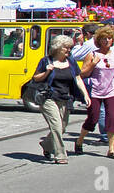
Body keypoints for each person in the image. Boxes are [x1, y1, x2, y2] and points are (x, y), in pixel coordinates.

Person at [31, 36, 89, 164]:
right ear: (57, 48)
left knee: (62, 128)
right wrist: (47, 72)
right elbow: (36, 78)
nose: (69, 50)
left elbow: (78, 78)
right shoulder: (46, 61)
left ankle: (46, 145)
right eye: (66, 47)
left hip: (64, 98)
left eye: (70, 47)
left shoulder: (71, 62)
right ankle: (61, 155)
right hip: (48, 98)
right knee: (56, 126)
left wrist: (85, 94)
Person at [78, 27, 114, 159]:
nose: (106, 41)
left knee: (112, 119)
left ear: (112, 40)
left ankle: (111, 149)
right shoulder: (93, 54)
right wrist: (93, 64)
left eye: (109, 38)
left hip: (112, 91)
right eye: (104, 38)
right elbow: (83, 74)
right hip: (96, 91)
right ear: (99, 40)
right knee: (93, 118)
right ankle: (80, 140)